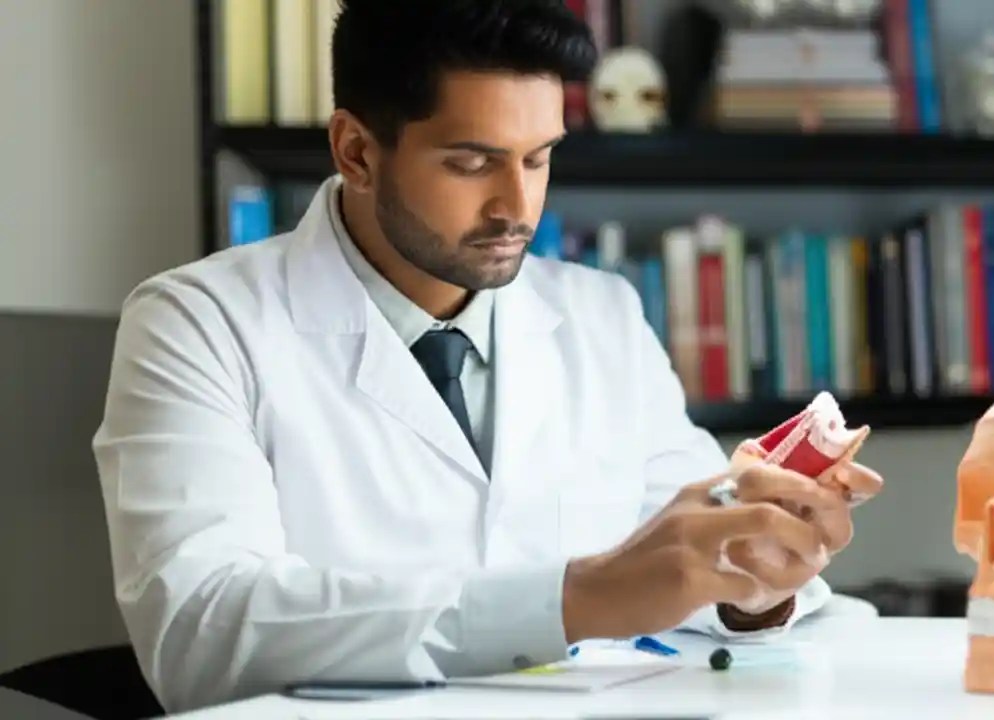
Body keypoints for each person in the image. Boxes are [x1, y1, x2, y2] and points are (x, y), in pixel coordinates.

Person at [92, 0, 884, 712]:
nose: (517, 206)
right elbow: (202, 631)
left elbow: (683, 558)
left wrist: (750, 576)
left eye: (537, 158)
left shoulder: (599, 313)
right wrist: (575, 599)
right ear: (357, 151)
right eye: (472, 162)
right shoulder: (196, 324)